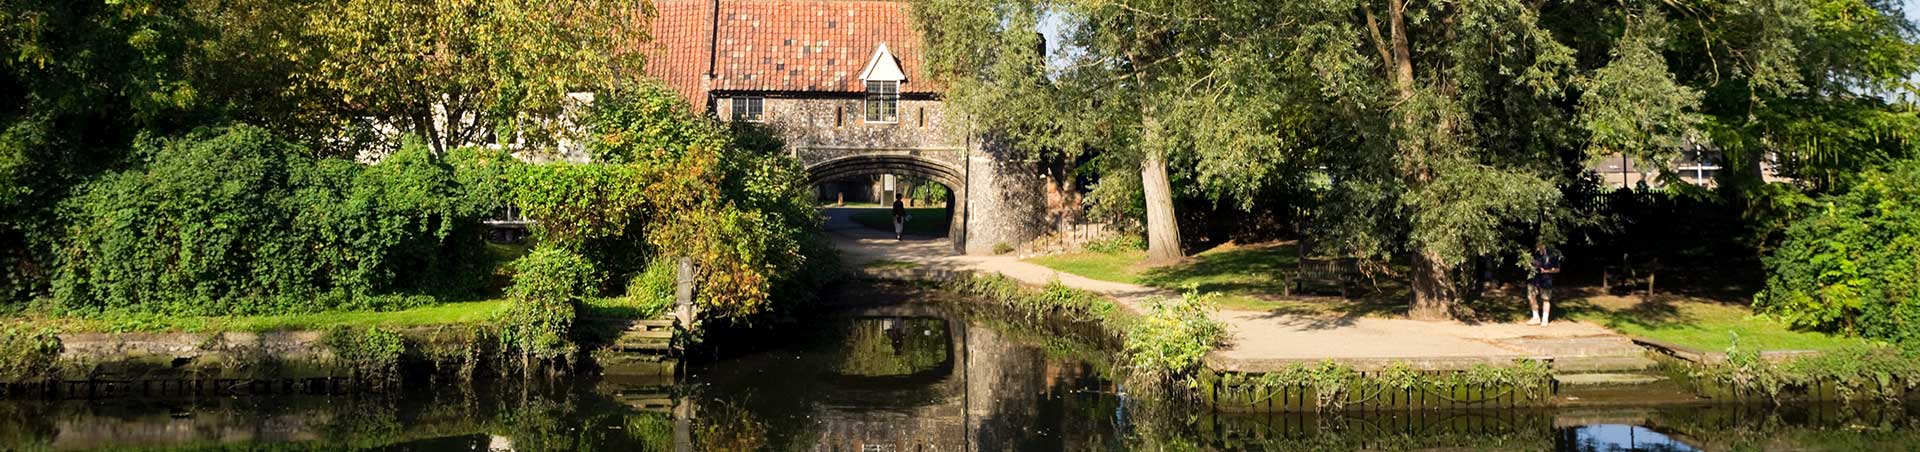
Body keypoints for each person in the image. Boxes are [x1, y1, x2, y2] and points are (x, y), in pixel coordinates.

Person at [1528, 242, 1561, 325]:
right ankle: (1536, 318)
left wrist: (1546, 271)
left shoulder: (1551, 255)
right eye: (1537, 245)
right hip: (1534, 279)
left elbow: (1557, 269)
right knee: (1531, 296)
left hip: (1546, 279)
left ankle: (1545, 319)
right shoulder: (1534, 254)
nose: (1538, 247)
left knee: (1546, 299)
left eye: (1539, 245)